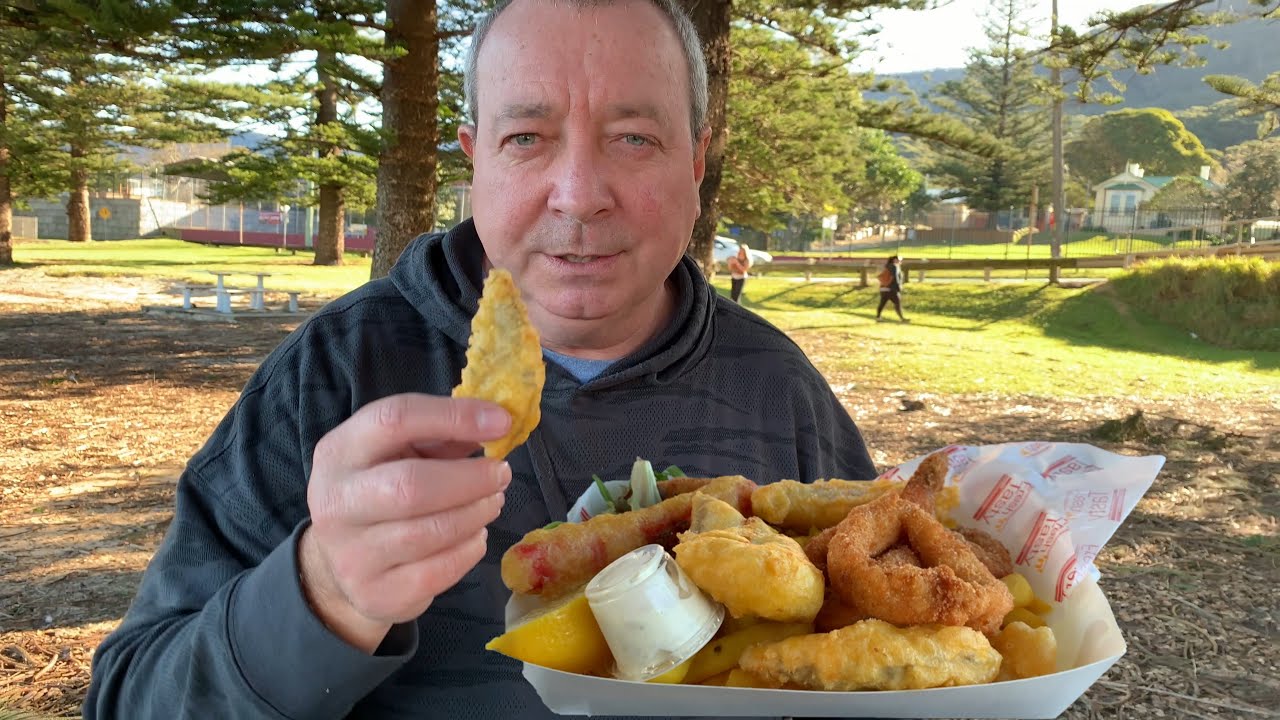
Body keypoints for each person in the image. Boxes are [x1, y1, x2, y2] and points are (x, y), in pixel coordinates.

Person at [83, 0, 877, 717]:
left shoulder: (780, 391)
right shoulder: (334, 375)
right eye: (526, 138)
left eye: (634, 138)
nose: (578, 193)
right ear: (476, 159)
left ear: (697, 162)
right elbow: (129, 700)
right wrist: (319, 595)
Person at [876, 255, 909, 323]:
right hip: (891, 289)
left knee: (882, 303)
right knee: (897, 303)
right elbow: (894, 278)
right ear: (895, 260)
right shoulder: (894, 267)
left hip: (883, 288)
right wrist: (898, 288)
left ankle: (878, 317)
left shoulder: (887, 266)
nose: (901, 261)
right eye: (899, 260)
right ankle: (902, 318)